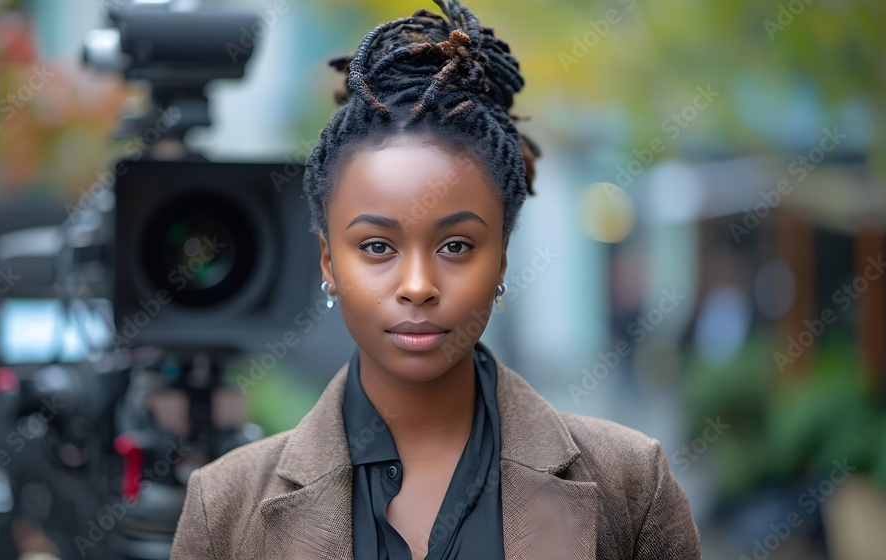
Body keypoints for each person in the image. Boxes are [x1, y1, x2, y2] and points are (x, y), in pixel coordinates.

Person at [171, 1, 701, 558]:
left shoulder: (630, 484)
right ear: (328, 263)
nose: (418, 285)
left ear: (501, 260)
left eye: (456, 246)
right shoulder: (225, 505)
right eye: (377, 247)